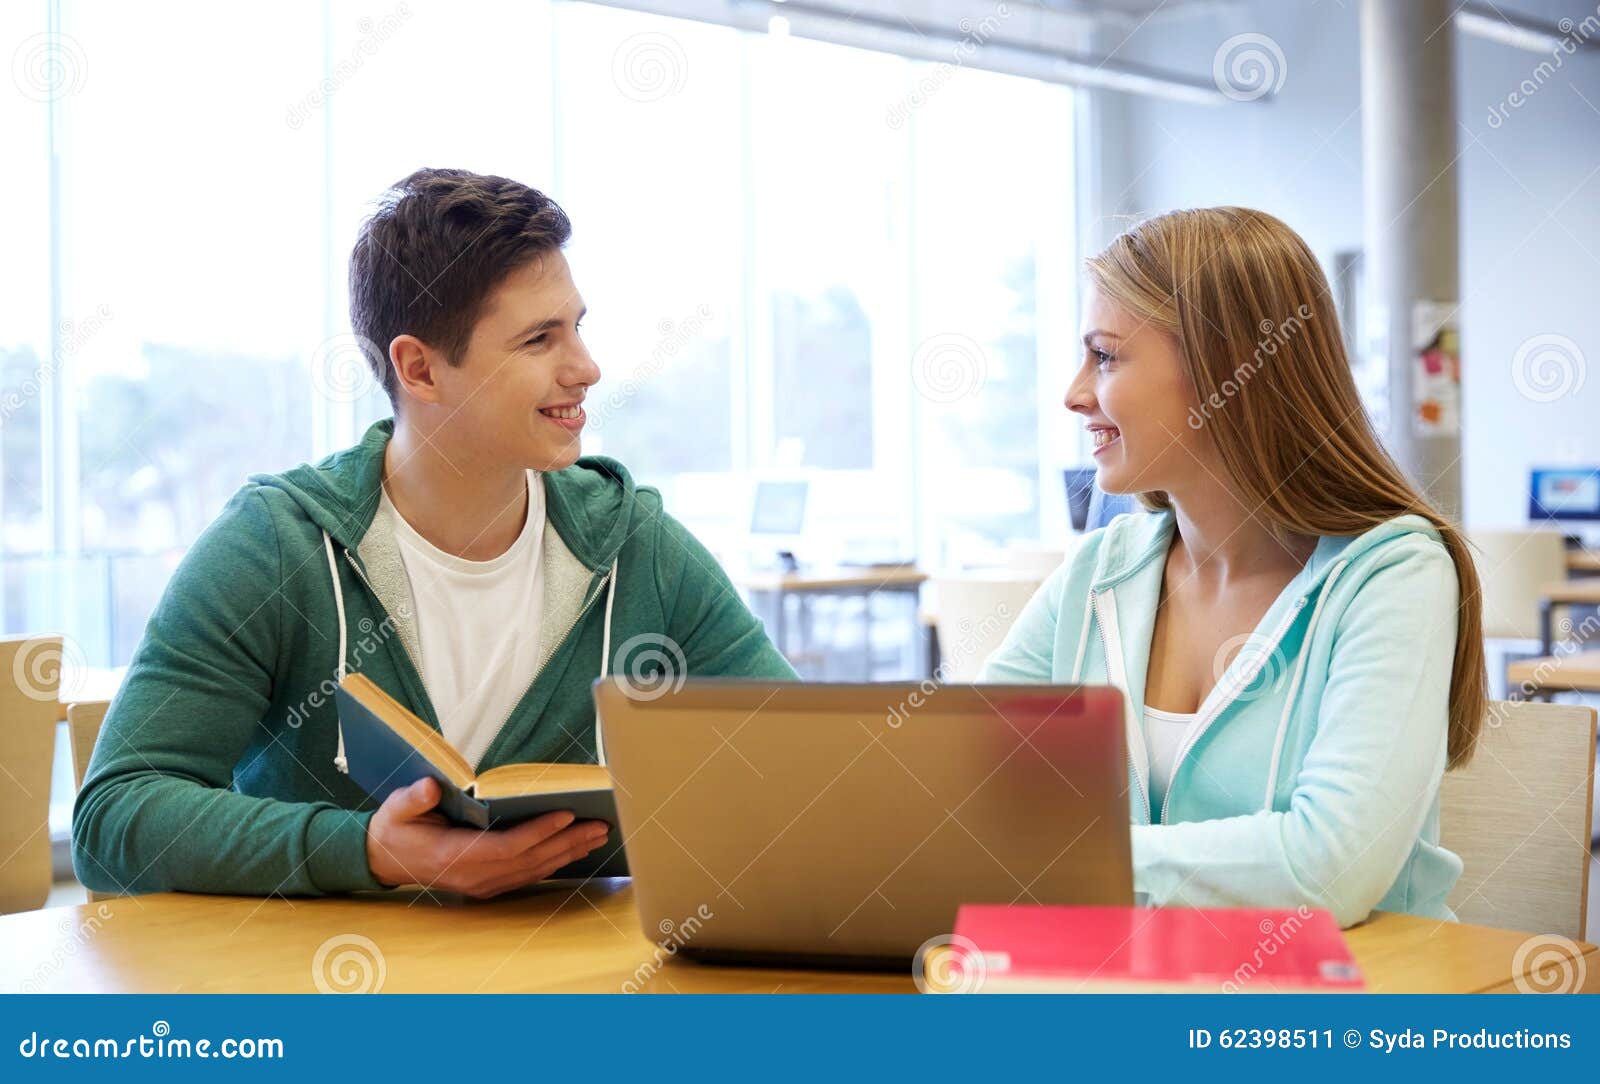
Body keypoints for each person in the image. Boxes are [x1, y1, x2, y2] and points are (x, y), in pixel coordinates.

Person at [73, 168, 795, 900]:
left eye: (578, 325)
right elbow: (115, 818)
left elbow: (806, 768)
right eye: (540, 339)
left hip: (565, 989)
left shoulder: (636, 543)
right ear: (419, 368)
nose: (586, 367)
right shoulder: (275, 548)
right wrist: (365, 851)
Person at [981, 207, 1487, 927]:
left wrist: (1069, 863)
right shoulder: (1101, 569)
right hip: (1136, 991)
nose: (1075, 393)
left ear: (1224, 368)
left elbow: (1329, 868)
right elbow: (965, 794)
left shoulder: (1394, 575)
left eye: (1106, 356)